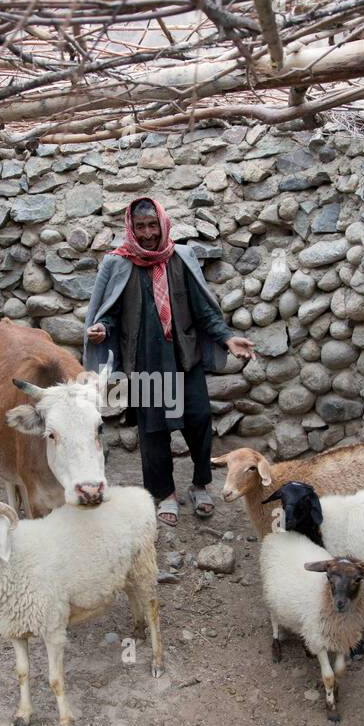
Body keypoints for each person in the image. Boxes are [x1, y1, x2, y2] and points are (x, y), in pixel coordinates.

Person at [83, 197, 255, 527]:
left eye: (152, 225)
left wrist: (226, 337)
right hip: (145, 363)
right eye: (140, 227)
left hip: (183, 359)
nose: (147, 234)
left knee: (199, 420)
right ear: (130, 229)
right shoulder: (117, 264)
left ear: (163, 224)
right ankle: (164, 494)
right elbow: (110, 315)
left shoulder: (181, 258)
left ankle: (201, 483)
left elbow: (204, 310)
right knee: (153, 432)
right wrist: (102, 330)